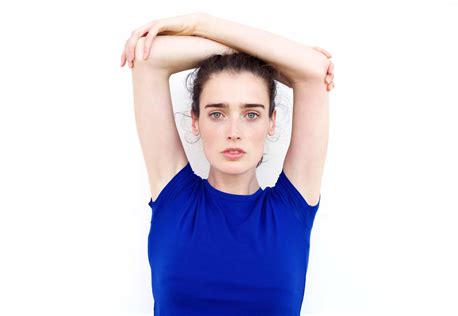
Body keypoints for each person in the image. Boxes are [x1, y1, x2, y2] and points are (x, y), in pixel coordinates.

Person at [121, 12, 335, 316]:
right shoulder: (176, 200)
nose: (234, 132)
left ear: (272, 122)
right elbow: (148, 57)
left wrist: (200, 23)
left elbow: (314, 69)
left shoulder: (291, 209)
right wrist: (256, 60)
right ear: (195, 121)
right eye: (217, 114)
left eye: (251, 114)